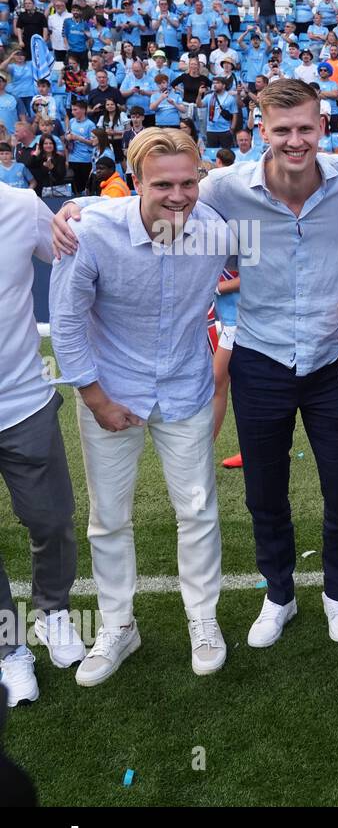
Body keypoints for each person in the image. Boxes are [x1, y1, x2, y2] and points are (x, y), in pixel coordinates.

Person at [52, 80, 338, 649]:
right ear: (260, 132)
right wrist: (79, 209)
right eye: (282, 130)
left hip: (331, 363)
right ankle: (278, 595)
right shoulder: (224, 189)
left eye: (305, 127)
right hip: (260, 355)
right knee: (264, 492)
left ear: (322, 125)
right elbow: (156, 194)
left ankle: (337, 594)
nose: (295, 140)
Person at [49, 128, 231, 686]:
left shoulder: (216, 231)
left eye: (188, 182)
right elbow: (67, 321)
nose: (178, 196)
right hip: (112, 393)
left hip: (185, 390)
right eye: (162, 185)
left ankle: (203, 619)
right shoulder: (92, 231)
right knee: (109, 518)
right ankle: (117, 626)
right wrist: (95, 397)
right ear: (133, 183)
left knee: (197, 510)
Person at [0, 183, 83, 706]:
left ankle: (52, 612)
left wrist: (84, 208)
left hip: (23, 400)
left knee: (51, 521)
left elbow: (75, 245)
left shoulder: (18, 205)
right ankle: (9, 649)